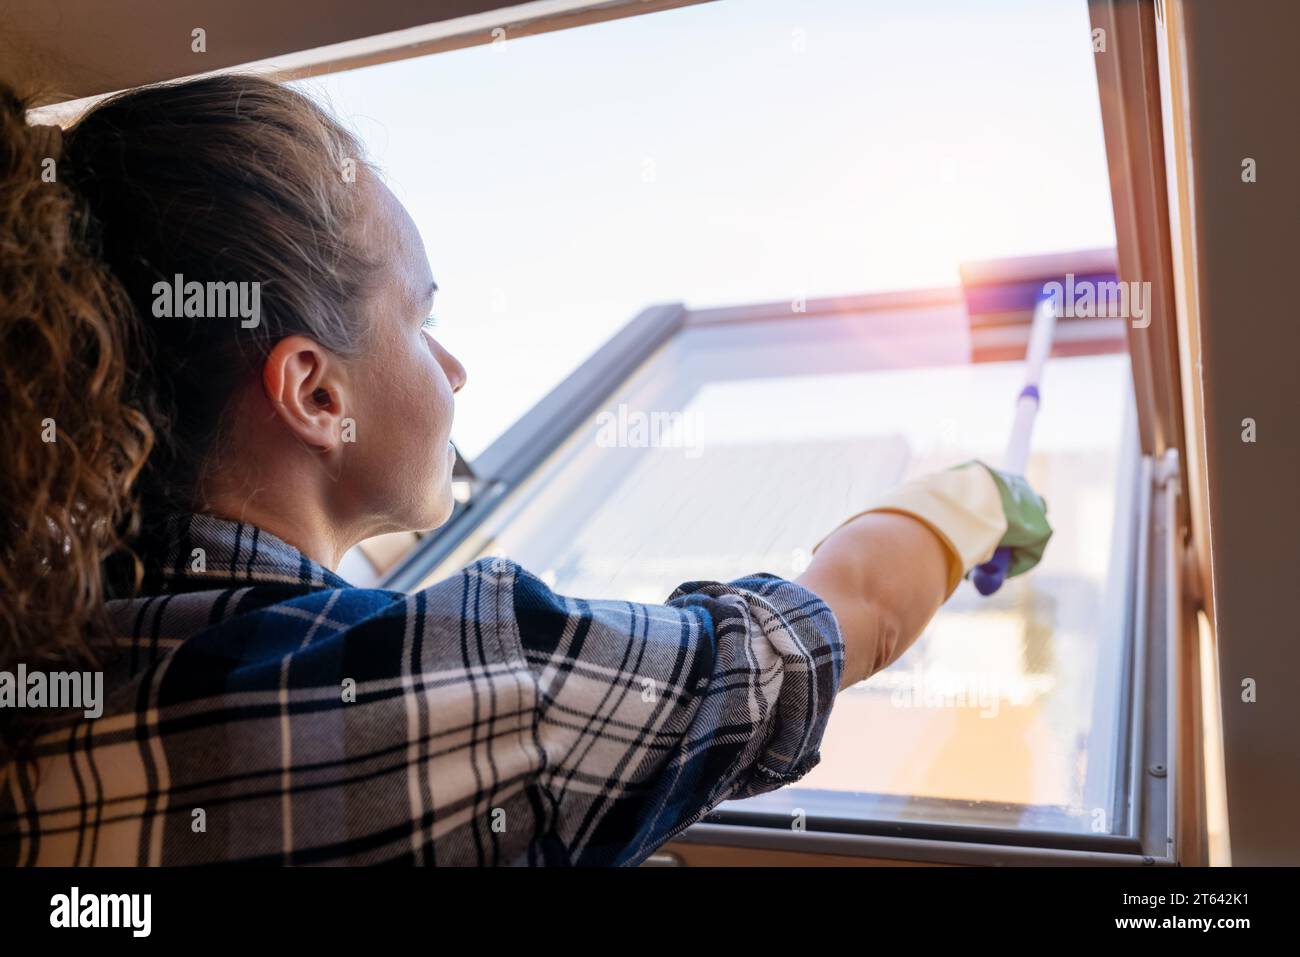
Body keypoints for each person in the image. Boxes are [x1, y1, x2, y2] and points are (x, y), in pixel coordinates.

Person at [0, 74, 1051, 866]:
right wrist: (968, 500)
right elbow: (825, 625)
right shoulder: (468, 683)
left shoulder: (44, 681)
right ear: (316, 394)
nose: (452, 363)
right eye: (422, 315)